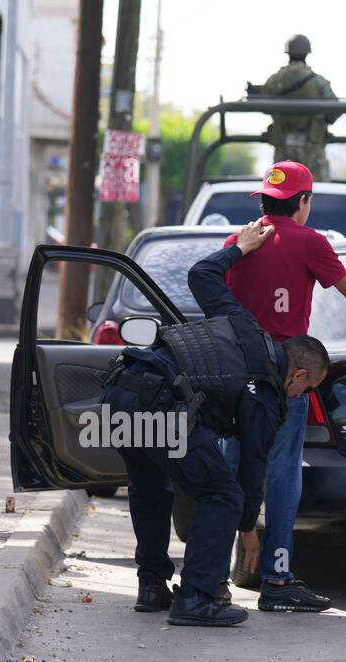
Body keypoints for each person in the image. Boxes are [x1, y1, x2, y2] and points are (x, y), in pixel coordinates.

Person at [102, 220, 330, 626]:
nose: (303, 396)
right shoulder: (268, 393)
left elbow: (201, 274)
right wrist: (247, 529)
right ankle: (196, 598)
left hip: (122, 391)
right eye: (308, 388)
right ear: (297, 375)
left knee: (151, 487)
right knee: (222, 496)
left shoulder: (243, 323)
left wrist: (239, 249)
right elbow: (251, 471)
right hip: (163, 408)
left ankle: (152, 585)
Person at [219, 160, 346, 612]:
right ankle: (278, 580)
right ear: (303, 202)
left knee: (229, 472)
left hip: (235, 371)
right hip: (285, 377)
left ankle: (212, 578)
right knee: (281, 476)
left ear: (262, 200)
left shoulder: (235, 244)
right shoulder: (309, 242)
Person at [247, 35, 338, 180]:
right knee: (318, 193)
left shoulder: (275, 80)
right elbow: (334, 112)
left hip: (283, 146)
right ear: (307, 53)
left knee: (281, 193)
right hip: (312, 148)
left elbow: (262, 104)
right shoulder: (318, 82)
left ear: (287, 53)